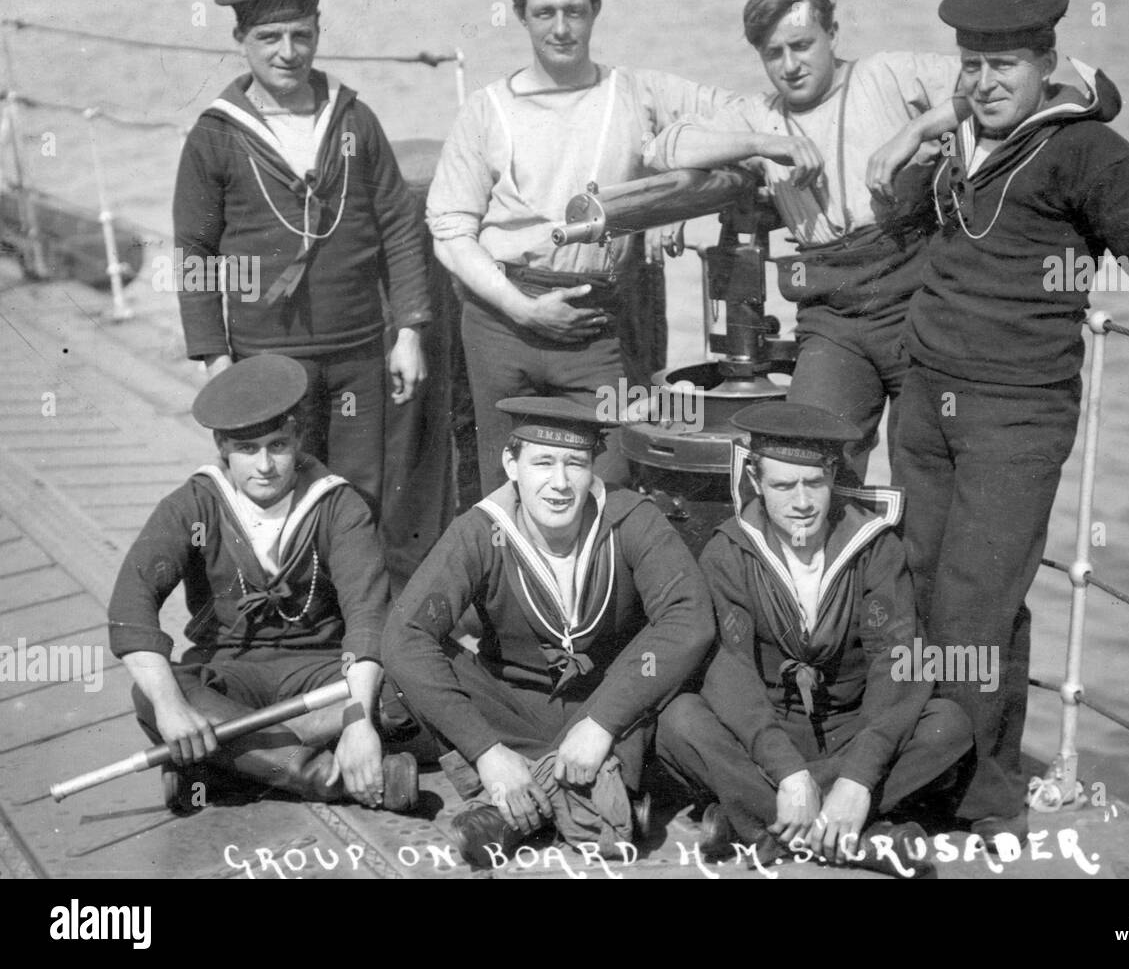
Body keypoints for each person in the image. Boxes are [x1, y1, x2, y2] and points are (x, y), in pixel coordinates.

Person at [883, 0, 1129, 841]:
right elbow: (905, 221)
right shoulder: (962, 134)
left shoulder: (1086, 150)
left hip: (1015, 412)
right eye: (971, 65)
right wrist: (917, 136)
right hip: (925, 400)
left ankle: (943, 799)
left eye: (1005, 66)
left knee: (974, 607)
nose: (984, 83)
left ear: (1047, 64)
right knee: (924, 589)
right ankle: (978, 787)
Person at [427, 0, 737, 494]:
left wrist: (676, 193)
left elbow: (735, 115)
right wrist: (523, 309)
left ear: (596, 5)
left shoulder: (636, 92)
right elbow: (451, 230)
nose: (562, 28)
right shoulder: (486, 109)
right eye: (545, 13)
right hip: (503, 319)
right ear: (521, 13)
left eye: (575, 10)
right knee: (507, 485)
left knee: (610, 476)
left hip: (597, 324)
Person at [644, 0, 962, 480]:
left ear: (832, 32)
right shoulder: (759, 114)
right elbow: (664, 148)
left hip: (915, 300)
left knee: (926, 468)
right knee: (804, 461)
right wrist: (765, 145)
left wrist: (916, 130)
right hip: (832, 317)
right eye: (774, 54)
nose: (790, 66)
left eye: (802, 45)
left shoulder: (887, 75)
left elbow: (991, 89)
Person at [382, 397, 715, 864]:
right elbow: (405, 634)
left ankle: (515, 813)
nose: (559, 484)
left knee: (670, 685)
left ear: (592, 467)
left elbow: (689, 614)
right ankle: (588, 800)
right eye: (542, 462)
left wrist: (601, 725)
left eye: (575, 464)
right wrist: (487, 752)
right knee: (405, 670)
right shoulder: (480, 530)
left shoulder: (629, 517)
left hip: (612, 706)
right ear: (510, 464)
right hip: (513, 710)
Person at [656, 402, 972, 871]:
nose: (802, 503)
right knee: (679, 721)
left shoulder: (876, 546)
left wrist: (859, 779)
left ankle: (763, 826)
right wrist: (788, 773)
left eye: (815, 484)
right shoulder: (728, 551)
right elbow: (731, 672)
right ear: (756, 485)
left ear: (833, 480)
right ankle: (856, 842)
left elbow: (898, 662)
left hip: (855, 729)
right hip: (766, 734)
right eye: (783, 486)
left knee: (949, 725)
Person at [108, 355, 420, 813]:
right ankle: (333, 777)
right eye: (248, 449)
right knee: (155, 693)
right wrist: (172, 707)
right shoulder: (193, 505)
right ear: (222, 448)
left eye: (278, 445)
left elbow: (367, 617)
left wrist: (357, 719)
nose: (266, 465)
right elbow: (130, 604)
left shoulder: (339, 504)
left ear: (297, 438)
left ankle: (223, 761)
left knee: (401, 692)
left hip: (323, 671)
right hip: (230, 671)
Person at [172, 0, 433, 518]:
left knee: (359, 492)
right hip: (265, 353)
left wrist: (408, 331)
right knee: (276, 492)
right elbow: (195, 251)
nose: (288, 52)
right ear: (240, 40)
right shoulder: (216, 134)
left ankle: (354, 602)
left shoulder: (354, 120)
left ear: (318, 32)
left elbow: (398, 225)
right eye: (270, 38)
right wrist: (215, 355)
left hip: (359, 348)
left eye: (301, 35)